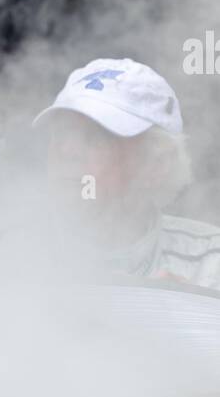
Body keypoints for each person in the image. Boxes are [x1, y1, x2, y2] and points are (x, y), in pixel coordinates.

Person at [34, 58, 220, 290]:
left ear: (156, 165)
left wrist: (187, 311)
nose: (66, 151)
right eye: (60, 134)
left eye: (94, 138)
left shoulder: (211, 264)